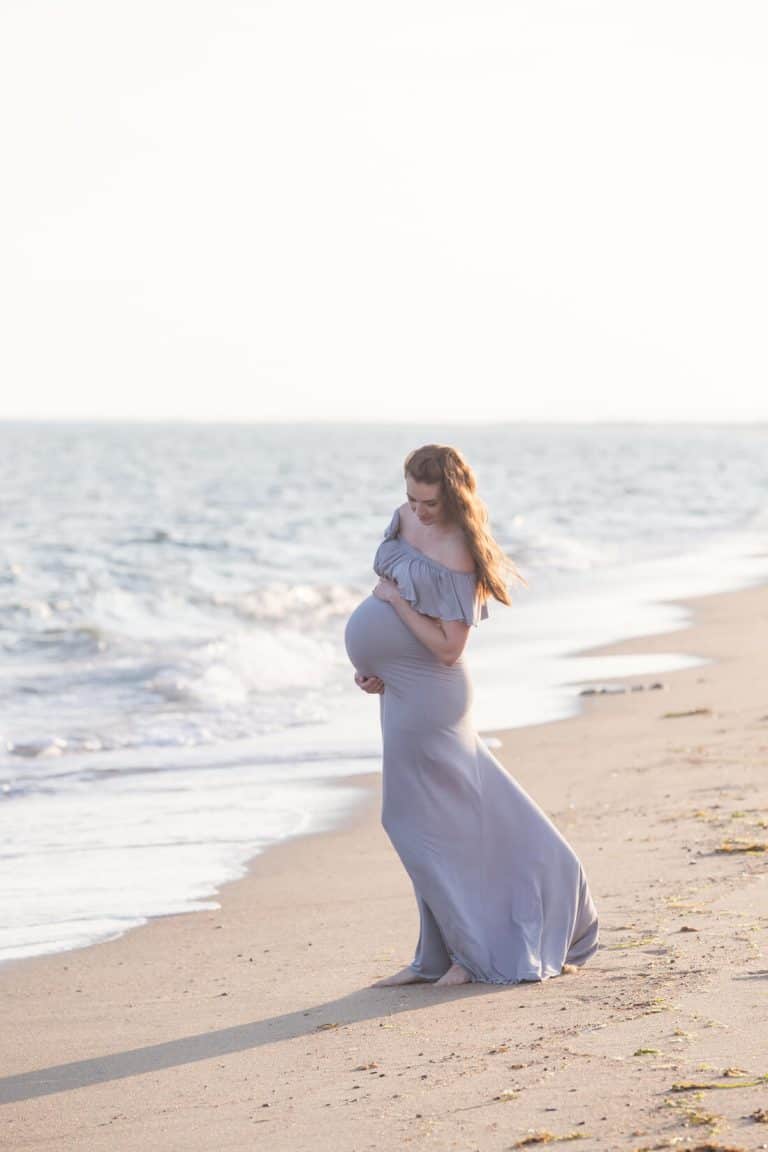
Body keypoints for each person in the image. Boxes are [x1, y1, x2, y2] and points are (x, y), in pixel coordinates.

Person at [344, 444, 599, 987]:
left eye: (429, 501)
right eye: (411, 498)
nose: (418, 510)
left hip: (434, 697)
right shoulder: (404, 519)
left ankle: (469, 956)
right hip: (398, 695)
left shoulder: (458, 547)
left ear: (453, 495)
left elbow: (447, 648)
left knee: (422, 824)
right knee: (427, 824)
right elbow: (397, 620)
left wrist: (396, 605)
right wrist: (372, 669)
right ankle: (433, 957)